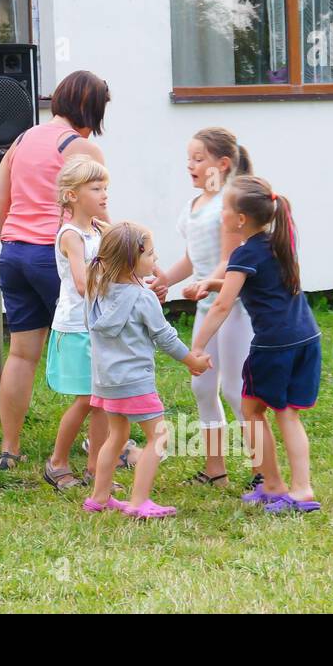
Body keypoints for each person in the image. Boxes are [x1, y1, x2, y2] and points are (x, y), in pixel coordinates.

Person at [0, 70, 112, 471]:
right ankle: (106, 448)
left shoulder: (21, 139)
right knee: (98, 347)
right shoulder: (79, 147)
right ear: (92, 108)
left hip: (14, 254)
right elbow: (98, 212)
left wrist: (11, 241)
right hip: (58, 254)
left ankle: (10, 448)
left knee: (22, 354)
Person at [189, 176, 322, 514]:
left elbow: (222, 306)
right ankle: (289, 486)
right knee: (283, 413)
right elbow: (246, 280)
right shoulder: (278, 243)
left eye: (225, 209)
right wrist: (212, 281)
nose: (221, 215)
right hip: (306, 338)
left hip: (274, 347)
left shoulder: (243, 253)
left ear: (241, 220)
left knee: (254, 411)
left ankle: (285, 486)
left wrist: (198, 347)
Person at [152, 127, 268, 490]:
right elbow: (193, 258)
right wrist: (165, 282)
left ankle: (263, 473)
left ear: (222, 163)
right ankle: (215, 470)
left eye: (198, 159)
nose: (191, 165)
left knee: (236, 389)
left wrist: (204, 284)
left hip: (231, 308)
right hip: (206, 305)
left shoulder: (228, 205)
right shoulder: (194, 206)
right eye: (189, 158)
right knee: (202, 386)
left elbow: (228, 260)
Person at [84, 222, 212, 518]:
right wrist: (191, 361)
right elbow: (165, 336)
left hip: (105, 381)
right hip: (134, 383)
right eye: (151, 255)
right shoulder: (142, 298)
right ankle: (139, 501)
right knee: (159, 437)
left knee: (115, 436)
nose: (155, 260)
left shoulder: (96, 290)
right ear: (133, 260)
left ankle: (99, 497)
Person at [42, 156, 117, 491]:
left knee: (101, 400)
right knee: (87, 399)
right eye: (96, 188)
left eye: (105, 188)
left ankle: (95, 470)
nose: (104, 194)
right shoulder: (71, 235)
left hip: (98, 326)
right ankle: (57, 462)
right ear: (72, 195)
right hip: (76, 328)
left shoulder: (100, 230)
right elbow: (81, 283)